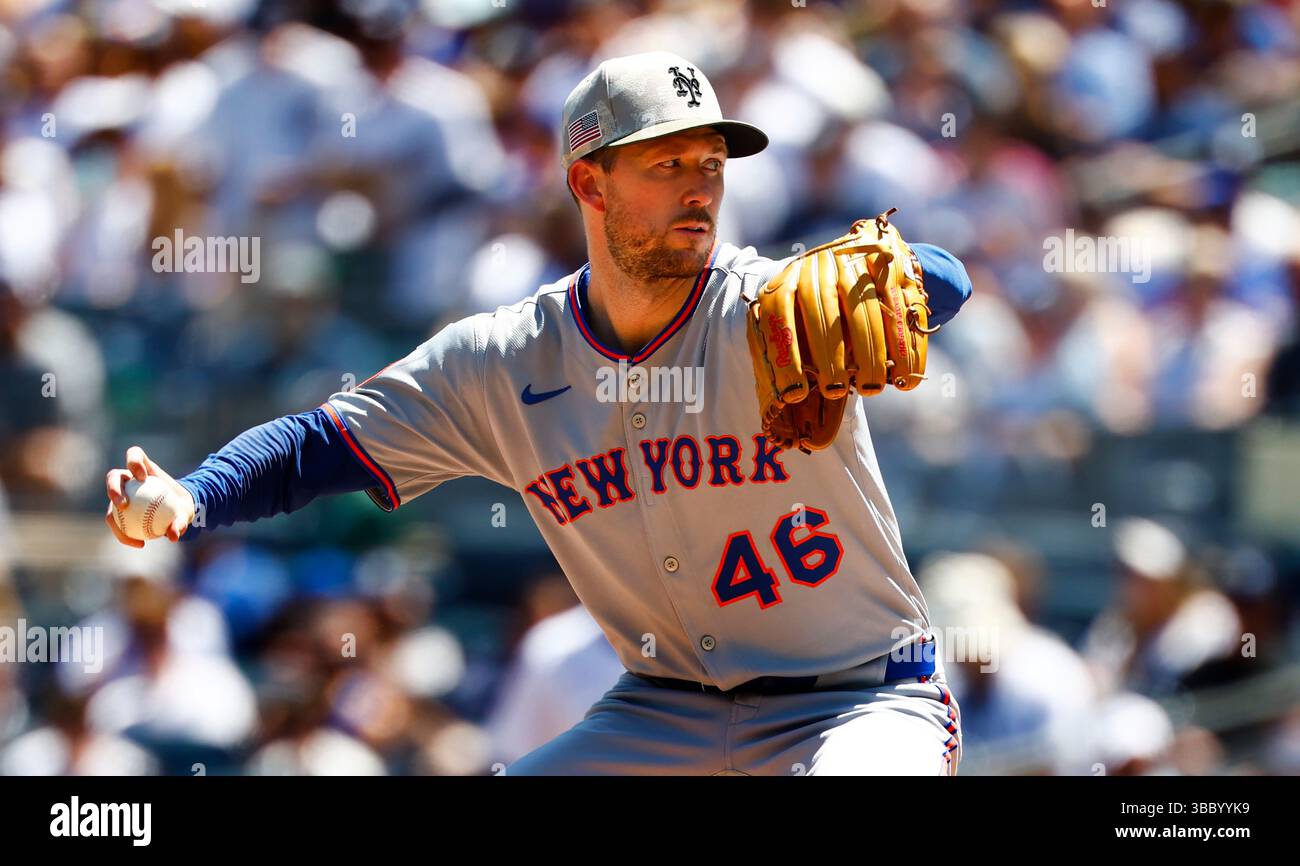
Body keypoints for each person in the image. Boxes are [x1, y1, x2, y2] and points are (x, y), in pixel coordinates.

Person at [105, 52, 974, 775]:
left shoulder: (770, 312)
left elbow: (941, 281)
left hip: (859, 696)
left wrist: (913, 275)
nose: (699, 188)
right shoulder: (503, 360)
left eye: (710, 162)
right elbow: (315, 447)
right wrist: (195, 495)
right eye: (666, 164)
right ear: (588, 184)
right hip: (665, 706)